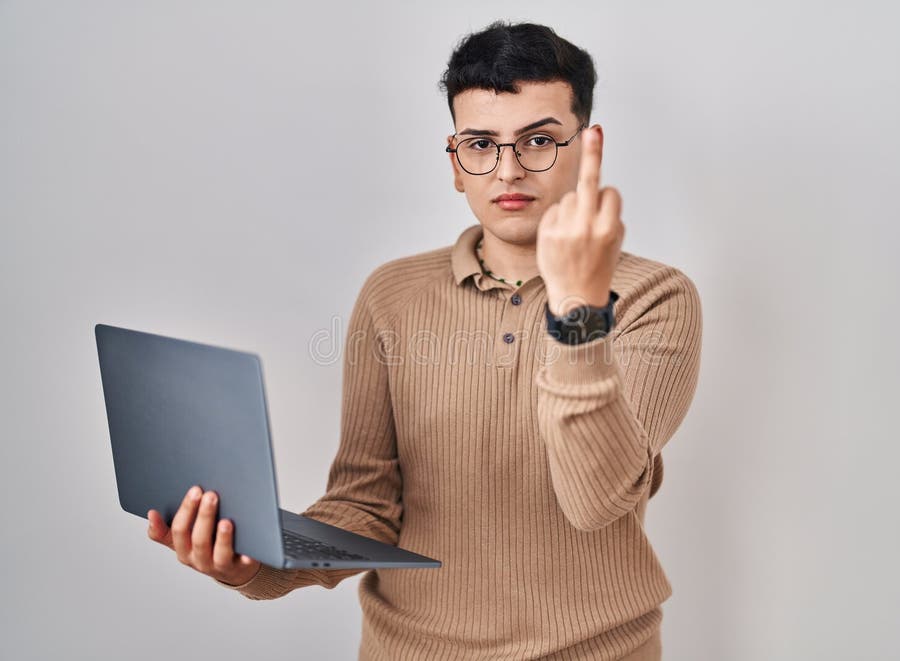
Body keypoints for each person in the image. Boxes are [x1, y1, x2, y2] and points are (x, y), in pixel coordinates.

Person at [147, 20, 702, 660]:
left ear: (586, 147)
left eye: (540, 140)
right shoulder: (393, 294)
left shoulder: (656, 298)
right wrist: (255, 567)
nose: (508, 169)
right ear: (454, 163)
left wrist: (579, 307)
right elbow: (365, 505)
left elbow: (595, 499)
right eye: (480, 144)